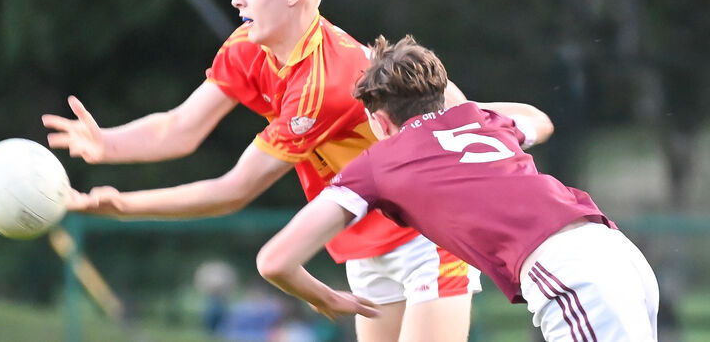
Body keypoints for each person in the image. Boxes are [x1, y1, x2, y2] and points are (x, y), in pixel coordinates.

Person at [42, 0, 478, 341]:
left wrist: (124, 206)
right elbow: (182, 127)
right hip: (365, 236)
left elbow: (234, 189)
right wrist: (108, 144)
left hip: (429, 227)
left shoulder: (325, 83)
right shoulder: (248, 46)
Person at [256, 35, 660, 341]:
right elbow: (538, 118)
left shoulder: (379, 162)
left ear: (378, 122)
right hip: (615, 250)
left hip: (566, 272)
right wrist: (453, 112)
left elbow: (274, 260)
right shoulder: (481, 121)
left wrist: (324, 297)